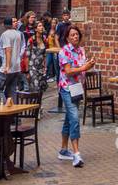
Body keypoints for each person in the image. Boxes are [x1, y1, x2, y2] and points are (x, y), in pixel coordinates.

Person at [57, 25, 95, 167]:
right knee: (74, 118)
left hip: (77, 88)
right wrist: (84, 68)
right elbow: (68, 71)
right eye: (72, 35)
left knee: (69, 119)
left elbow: (81, 67)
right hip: (66, 88)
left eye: (77, 34)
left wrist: (88, 65)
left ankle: (63, 150)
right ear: (67, 37)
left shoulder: (81, 50)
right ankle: (77, 154)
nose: (75, 37)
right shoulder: (63, 52)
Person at [0, 16, 25, 102]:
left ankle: (5, 108)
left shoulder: (5, 34)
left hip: (7, 67)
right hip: (16, 67)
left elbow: (8, 50)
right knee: (12, 90)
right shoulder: (18, 34)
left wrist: (7, 66)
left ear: (4, 25)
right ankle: (13, 112)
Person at [26, 21, 48, 96]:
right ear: (35, 29)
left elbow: (45, 54)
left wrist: (45, 66)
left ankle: (39, 105)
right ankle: (33, 105)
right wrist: (27, 71)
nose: (41, 27)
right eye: (39, 26)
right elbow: (27, 56)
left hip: (41, 67)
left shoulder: (44, 39)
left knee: (41, 87)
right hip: (32, 67)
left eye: (42, 26)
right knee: (35, 87)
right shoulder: (31, 40)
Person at [45, 19, 60, 88]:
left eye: (54, 23)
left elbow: (57, 41)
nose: (53, 24)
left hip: (55, 51)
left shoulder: (57, 31)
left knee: (56, 67)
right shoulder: (48, 30)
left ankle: (58, 83)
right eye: (52, 23)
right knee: (47, 65)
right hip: (49, 50)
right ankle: (44, 82)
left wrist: (54, 37)